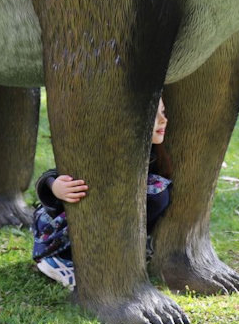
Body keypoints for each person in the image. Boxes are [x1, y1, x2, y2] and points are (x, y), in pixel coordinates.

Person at [31, 98, 174, 289]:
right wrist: (54, 185)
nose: (163, 120)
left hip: (108, 223)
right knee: (155, 194)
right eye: (153, 114)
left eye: (163, 112)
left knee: (157, 192)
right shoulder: (105, 151)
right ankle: (62, 260)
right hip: (62, 224)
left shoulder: (152, 154)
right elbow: (52, 175)